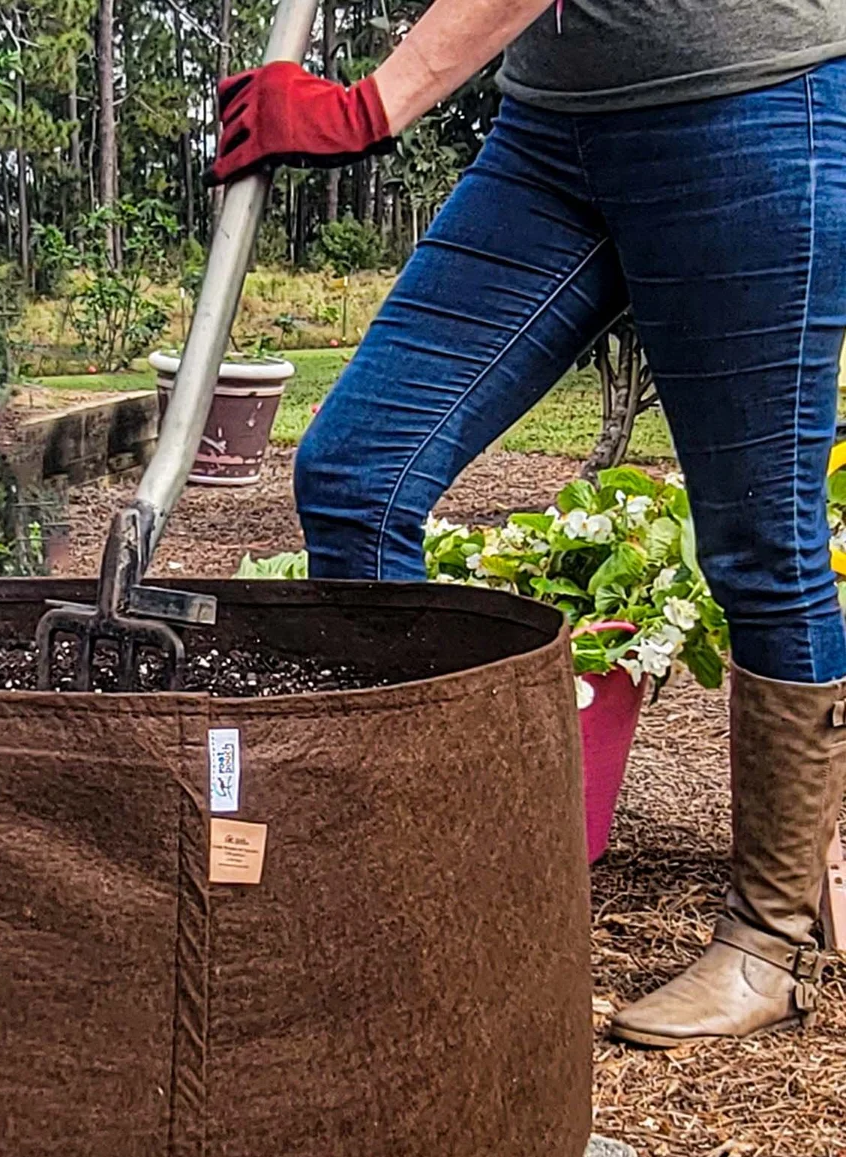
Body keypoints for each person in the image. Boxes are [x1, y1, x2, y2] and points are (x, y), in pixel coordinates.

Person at [207, 0, 846, 1048]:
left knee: (762, 543)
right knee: (359, 473)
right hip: (550, 132)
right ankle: (407, 889)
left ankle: (769, 942)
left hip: (750, 105)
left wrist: (370, 104)